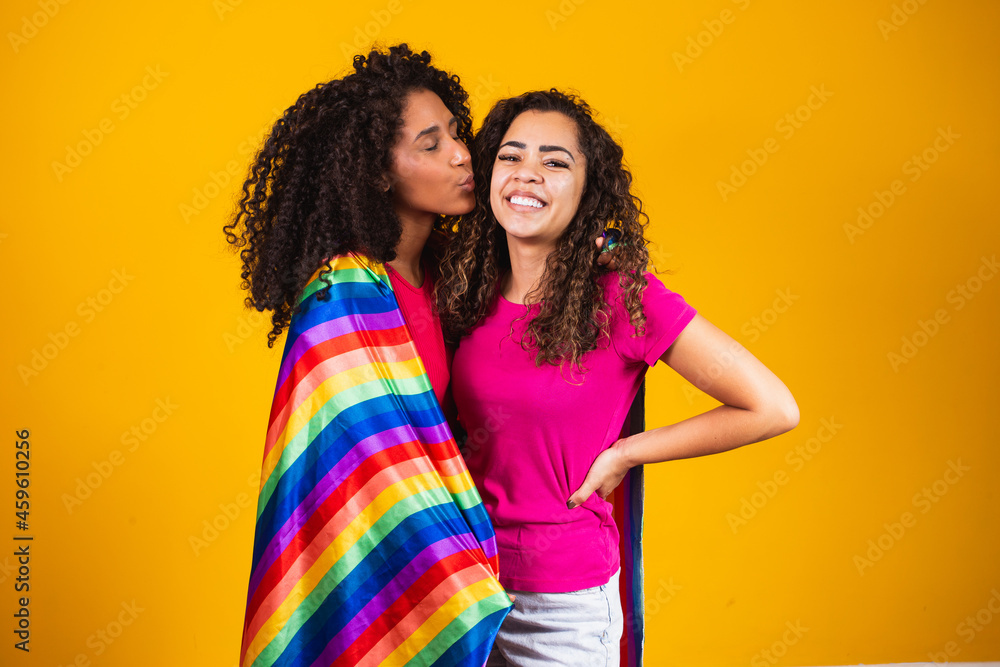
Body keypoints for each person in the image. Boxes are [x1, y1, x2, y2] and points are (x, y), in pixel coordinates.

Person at [436, 89, 800, 667]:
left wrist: (625, 453)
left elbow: (772, 407)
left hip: (560, 603)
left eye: (555, 162)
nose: (527, 174)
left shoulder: (624, 298)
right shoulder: (460, 290)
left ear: (587, 193)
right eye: (511, 156)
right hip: (457, 587)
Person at [223, 44, 513, 667]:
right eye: (431, 144)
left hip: (491, 559)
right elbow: (358, 473)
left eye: (457, 134)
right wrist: (458, 574)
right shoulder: (340, 299)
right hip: (398, 578)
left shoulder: (453, 276)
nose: (464, 154)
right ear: (378, 172)